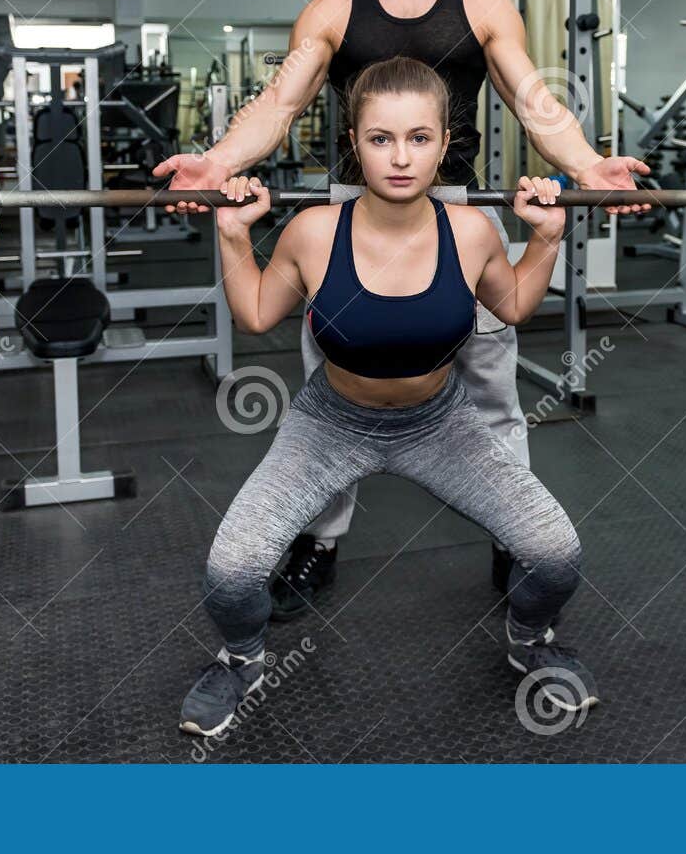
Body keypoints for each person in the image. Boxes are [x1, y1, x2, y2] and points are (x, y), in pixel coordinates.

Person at [156, 0, 648, 618]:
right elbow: (279, 104)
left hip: (456, 217)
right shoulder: (333, 10)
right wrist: (219, 162)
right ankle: (317, 542)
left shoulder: (484, 4)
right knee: (331, 385)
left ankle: (511, 534)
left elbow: (534, 101)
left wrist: (589, 165)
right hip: (352, 220)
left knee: (491, 386)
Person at [181, 57, 598, 737]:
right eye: (380, 139)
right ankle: (241, 660)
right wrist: (232, 236)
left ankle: (530, 639)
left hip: (441, 424)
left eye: (418, 138)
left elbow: (515, 305)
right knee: (232, 572)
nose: (400, 158)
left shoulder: (471, 233)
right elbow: (257, 314)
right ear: (352, 143)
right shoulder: (314, 231)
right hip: (329, 424)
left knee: (555, 553)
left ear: (445, 143)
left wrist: (547, 238)